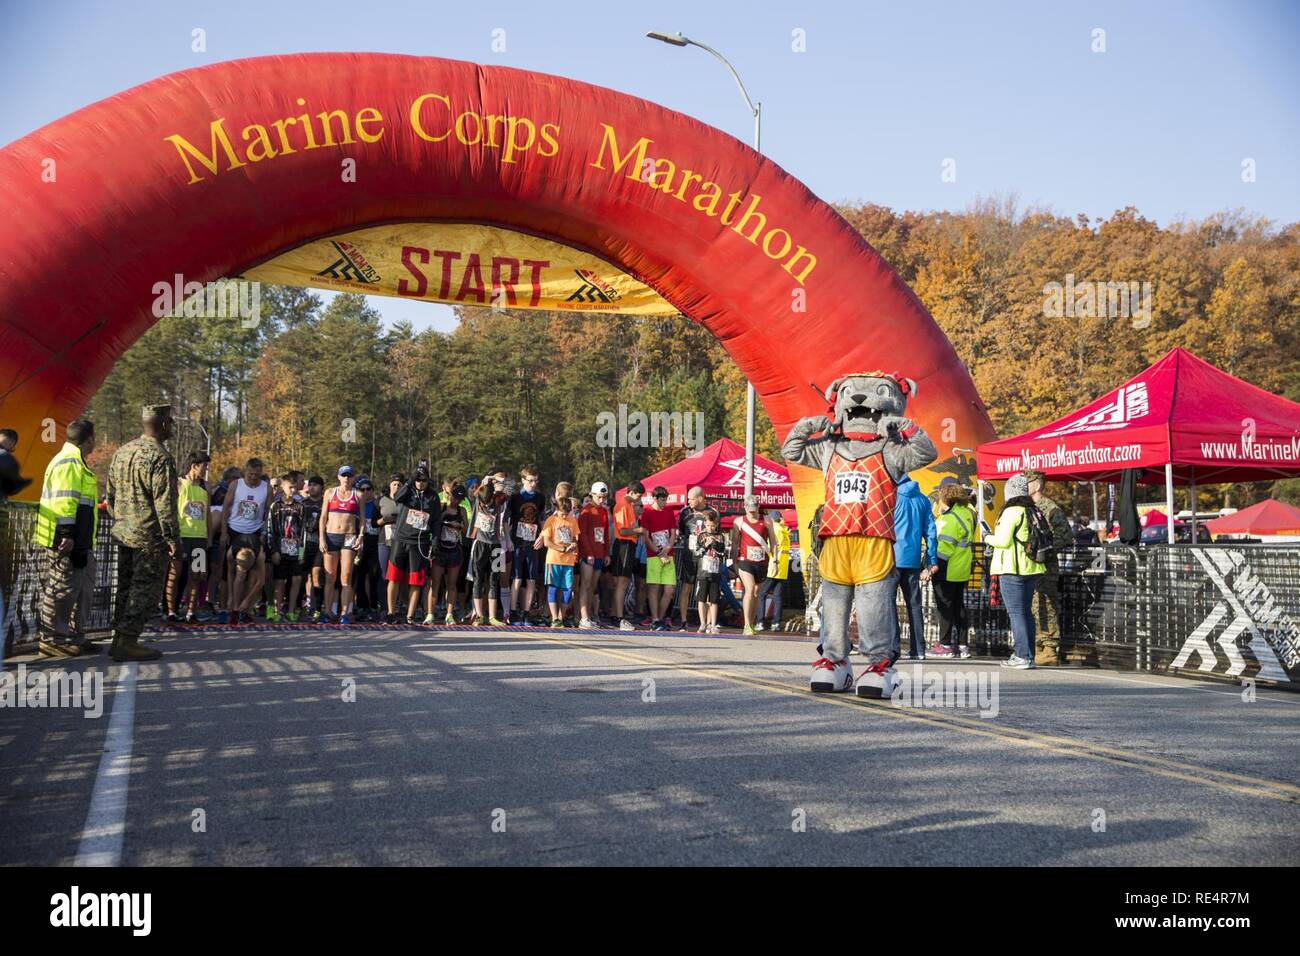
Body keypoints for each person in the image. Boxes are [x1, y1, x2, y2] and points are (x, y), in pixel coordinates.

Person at [105, 404, 180, 661]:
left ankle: (119, 638)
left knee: (125, 586)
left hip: (124, 532)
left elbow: (110, 496)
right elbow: (165, 504)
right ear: (162, 424)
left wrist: (122, 521)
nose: (172, 425)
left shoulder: (122, 452)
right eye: (170, 421)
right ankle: (127, 641)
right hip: (149, 535)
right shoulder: (160, 457)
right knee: (145, 589)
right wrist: (173, 539)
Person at [34, 419, 99, 657]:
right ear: (89, 439)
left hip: (79, 540)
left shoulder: (76, 463)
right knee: (62, 588)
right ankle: (52, 640)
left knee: (81, 588)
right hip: (64, 540)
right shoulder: (69, 463)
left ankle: (74, 636)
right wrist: (67, 535)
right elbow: (64, 502)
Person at [989, 473, 1045, 669]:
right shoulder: (1032, 510)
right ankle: (1028, 655)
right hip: (1032, 567)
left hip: (1012, 567)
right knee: (1026, 613)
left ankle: (1022, 655)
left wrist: (988, 537)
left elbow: (1003, 541)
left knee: (1016, 613)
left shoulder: (1011, 511)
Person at [1023, 469, 1073, 666]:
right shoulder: (1029, 507)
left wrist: (1045, 550)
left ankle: (1050, 648)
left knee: (1046, 606)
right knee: (1034, 606)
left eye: (1027, 483)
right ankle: (1037, 645)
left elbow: (1065, 536)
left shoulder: (1050, 508)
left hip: (1046, 566)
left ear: (1036, 485)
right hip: (1031, 566)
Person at [892, 474, 939, 661]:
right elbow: (931, 533)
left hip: (891, 557)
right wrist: (931, 560)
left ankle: (893, 648)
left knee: (889, 605)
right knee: (914, 605)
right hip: (912, 559)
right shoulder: (923, 500)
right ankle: (918, 649)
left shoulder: (892, 496)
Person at [388, 464, 441, 624]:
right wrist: (409, 482)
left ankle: (410, 615)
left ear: (428, 480)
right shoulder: (408, 490)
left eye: (423, 480)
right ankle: (391, 613)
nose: (420, 483)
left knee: (416, 581)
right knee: (394, 578)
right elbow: (396, 498)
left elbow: (436, 522)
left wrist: (435, 542)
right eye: (417, 480)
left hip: (420, 542)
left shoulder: (433, 496)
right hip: (401, 539)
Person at [928, 479, 975, 658]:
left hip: (946, 568)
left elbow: (944, 548)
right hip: (962, 568)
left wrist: (932, 566)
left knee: (944, 608)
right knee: (959, 607)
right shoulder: (967, 514)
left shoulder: (948, 519)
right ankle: (963, 646)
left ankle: (945, 645)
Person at [220, 457, 270, 625]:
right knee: (236, 572)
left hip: (254, 533)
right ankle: (233, 608)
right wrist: (224, 532)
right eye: (250, 474)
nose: (253, 477)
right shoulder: (236, 485)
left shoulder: (266, 488)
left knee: (256, 574)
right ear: (245, 471)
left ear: (261, 473)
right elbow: (226, 508)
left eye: (256, 474)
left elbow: (268, 513)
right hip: (235, 530)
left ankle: (245, 609)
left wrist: (264, 533)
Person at [167, 450, 211, 623]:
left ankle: (190, 612)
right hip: (181, 537)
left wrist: (208, 537)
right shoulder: (179, 483)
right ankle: (171, 611)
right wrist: (171, 537)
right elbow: (170, 510)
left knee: (196, 575)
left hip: (199, 538)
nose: (206, 470)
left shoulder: (206, 486)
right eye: (204, 466)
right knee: (174, 574)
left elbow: (207, 512)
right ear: (194, 466)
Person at [321, 465, 362, 624]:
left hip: (349, 537)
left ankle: (345, 612)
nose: (346, 478)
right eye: (343, 475)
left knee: (346, 577)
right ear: (338, 477)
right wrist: (322, 538)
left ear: (353, 478)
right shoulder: (330, 493)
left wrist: (361, 536)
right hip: (331, 536)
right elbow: (323, 517)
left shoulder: (357, 495)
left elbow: (363, 519)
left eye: (349, 476)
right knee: (330, 576)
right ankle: (327, 611)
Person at [731, 495, 776, 636]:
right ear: (745, 507)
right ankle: (746, 625)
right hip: (745, 561)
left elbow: (773, 542)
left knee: (757, 593)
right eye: (750, 510)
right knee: (749, 589)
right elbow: (735, 543)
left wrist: (774, 560)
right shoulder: (739, 522)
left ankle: (752, 622)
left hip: (761, 562)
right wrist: (733, 562)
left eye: (754, 510)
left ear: (758, 507)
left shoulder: (767, 521)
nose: (752, 513)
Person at [266, 473, 305, 622]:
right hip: (280, 550)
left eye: (295, 487)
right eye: (290, 487)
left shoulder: (300, 507)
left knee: (296, 580)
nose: (293, 490)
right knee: (279, 581)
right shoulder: (275, 506)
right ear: (283, 487)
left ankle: (290, 610)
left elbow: (303, 532)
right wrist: (274, 550)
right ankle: (276, 610)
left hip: (295, 550)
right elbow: (271, 529)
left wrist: (301, 553)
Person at [508, 466, 545, 625]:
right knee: (517, 578)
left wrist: (543, 536)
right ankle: (513, 612)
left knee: (531, 579)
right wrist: (508, 540)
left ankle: (526, 612)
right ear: (523, 480)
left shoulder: (540, 497)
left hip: (532, 543)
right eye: (530, 481)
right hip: (517, 543)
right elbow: (507, 521)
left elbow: (542, 519)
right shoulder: (515, 498)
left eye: (536, 481)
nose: (533, 484)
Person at [536, 494, 580, 627]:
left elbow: (574, 538)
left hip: (568, 562)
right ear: (557, 510)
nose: (565, 516)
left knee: (567, 590)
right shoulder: (551, 520)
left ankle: (562, 616)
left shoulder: (572, 521)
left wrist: (573, 544)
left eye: (567, 513)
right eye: (562, 514)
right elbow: (547, 542)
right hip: (554, 559)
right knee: (553, 589)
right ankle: (554, 618)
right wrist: (562, 549)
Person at [467, 479, 506, 626]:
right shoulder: (478, 501)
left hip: (496, 545)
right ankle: (479, 614)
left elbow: (510, 488)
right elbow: (477, 492)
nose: (486, 505)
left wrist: (500, 480)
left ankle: (492, 616)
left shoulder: (498, 503)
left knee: (494, 580)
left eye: (488, 502)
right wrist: (488, 478)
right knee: (478, 579)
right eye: (484, 502)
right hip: (480, 544)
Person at [640, 486, 677, 631]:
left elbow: (673, 533)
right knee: (654, 587)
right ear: (654, 498)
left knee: (669, 589)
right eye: (662, 500)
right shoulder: (647, 513)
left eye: (666, 499)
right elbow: (646, 536)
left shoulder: (669, 512)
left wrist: (667, 548)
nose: (664, 503)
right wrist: (658, 552)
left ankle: (660, 618)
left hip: (668, 554)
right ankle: (655, 618)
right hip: (653, 556)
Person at [674, 487, 710, 631]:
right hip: (689, 555)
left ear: (700, 498)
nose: (688, 502)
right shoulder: (685, 512)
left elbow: (716, 532)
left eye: (691, 499)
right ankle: (683, 621)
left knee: (704, 589)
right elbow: (682, 531)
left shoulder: (711, 512)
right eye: (688, 499)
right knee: (686, 587)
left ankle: (706, 623)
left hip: (705, 557)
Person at [610, 481, 644, 631]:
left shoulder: (628, 505)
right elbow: (623, 531)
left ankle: (615, 614)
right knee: (622, 583)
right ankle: (619, 617)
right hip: (623, 544)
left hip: (628, 545)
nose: (639, 499)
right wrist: (638, 531)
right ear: (631, 492)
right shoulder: (623, 505)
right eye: (638, 495)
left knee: (621, 582)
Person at [576, 481, 611, 629]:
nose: (602, 500)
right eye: (599, 497)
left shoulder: (603, 512)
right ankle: (583, 617)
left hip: (599, 554)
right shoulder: (586, 511)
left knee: (593, 587)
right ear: (592, 495)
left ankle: (588, 616)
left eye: (604, 497)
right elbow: (582, 534)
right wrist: (588, 553)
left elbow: (605, 534)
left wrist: (606, 553)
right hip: (587, 554)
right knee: (586, 584)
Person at [430, 491, 464, 626]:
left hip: (454, 549)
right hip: (440, 550)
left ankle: (449, 615)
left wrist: (459, 526)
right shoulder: (442, 507)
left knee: (451, 584)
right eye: (455, 497)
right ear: (449, 495)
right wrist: (443, 517)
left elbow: (467, 529)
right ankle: (430, 614)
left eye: (460, 499)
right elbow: (434, 523)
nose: (456, 501)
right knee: (435, 583)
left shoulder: (461, 511)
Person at [692, 510, 728, 634]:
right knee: (701, 598)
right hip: (703, 571)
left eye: (712, 525)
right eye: (708, 525)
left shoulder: (721, 536)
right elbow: (696, 552)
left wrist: (715, 543)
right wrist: (705, 545)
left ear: (716, 524)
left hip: (715, 571)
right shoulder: (701, 535)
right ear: (705, 524)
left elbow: (723, 552)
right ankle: (702, 623)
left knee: (714, 599)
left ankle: (713, 624)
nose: (710, 528)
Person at [760, 510, 791, 632]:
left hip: (774, 565)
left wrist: (772, 559)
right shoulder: (785, 531)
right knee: (777, 596)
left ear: (772, 519)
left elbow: (774, 547)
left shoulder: (775, 530)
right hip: (783, 568)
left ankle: (760, 622)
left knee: (762, 594)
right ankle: (776, 623)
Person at [301, 476, 326, 620]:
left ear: (322, 487)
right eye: (310, 485)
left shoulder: (325, 503)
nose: (312, 487)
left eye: (315, 485)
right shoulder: (303, 503)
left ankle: (317, 609)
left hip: (319, 545)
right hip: (302, 546)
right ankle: (299, 607)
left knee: (316, 575)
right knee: (301, 576)